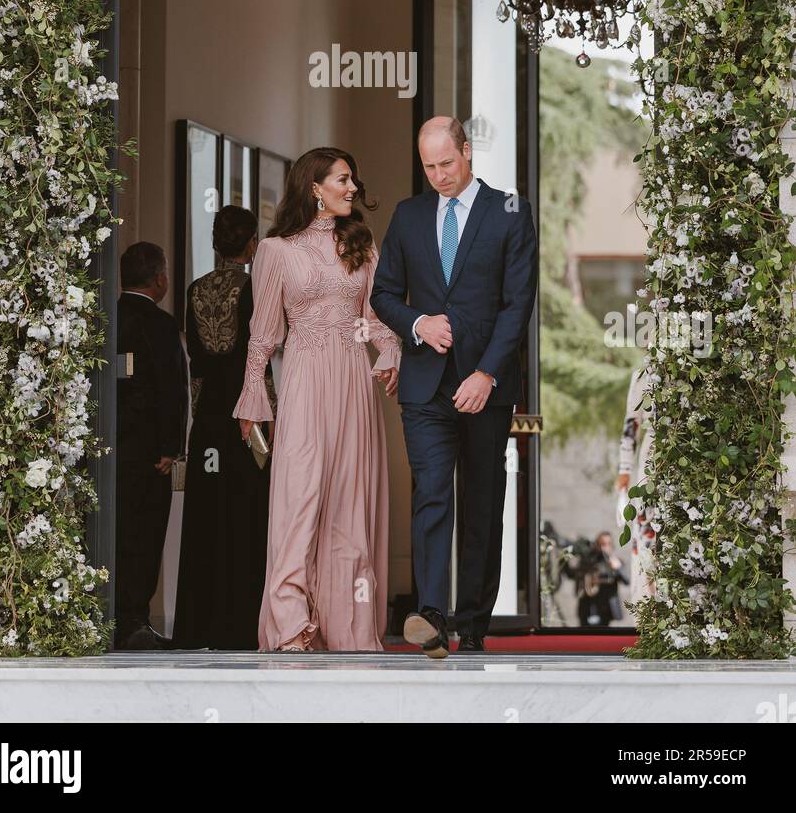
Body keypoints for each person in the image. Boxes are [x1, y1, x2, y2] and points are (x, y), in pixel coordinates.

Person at [370, 116, 538, 658]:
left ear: (468, 151)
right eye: (429, 166)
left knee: (482, 504)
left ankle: (473, 621)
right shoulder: (408, 215)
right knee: (433, 495)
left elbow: (518, 305)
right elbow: (384, 294)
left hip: (486, 384)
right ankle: (434, 616)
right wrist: (419, 324)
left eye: (447, 163)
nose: (439, 175)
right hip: (425, 386)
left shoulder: (510, 213)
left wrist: (487, 373)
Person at [233, 147, 401, 652]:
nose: (352, 188)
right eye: (343, 180)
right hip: (304, 381)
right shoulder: (276, 251)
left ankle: (348, 627)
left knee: (350, 507)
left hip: (352, 381)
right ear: (315, 188)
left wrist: (389, 349)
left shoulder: (362, 246)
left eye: (352, 180)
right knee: (299, 499)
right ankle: (289, 625)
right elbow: (262, 335)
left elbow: (374, 318)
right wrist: (252, 398)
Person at [172, 205, 273, 649]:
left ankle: (199, 624)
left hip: (210, 417)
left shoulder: (194, 290)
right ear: (251, 243)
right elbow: (260, 361)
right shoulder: (256, 288)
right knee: (248, 517)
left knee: (206, 520)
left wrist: (200, 419)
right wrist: (272, 419)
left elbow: (196, 367)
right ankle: (242, 624)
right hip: (248, 418)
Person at [115, 242, 188, 650]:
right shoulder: (161, 325)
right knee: (144, 536)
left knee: (113, 531)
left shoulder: (106, 318)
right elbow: (172, 390)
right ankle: (133, 620)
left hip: (109, 451)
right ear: (160, 280)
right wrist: (171, 446)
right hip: (149, 453)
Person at [616, 364, 655, 608]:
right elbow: (631, 426)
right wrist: (624, 471)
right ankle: (649, 610)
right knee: (648, 534)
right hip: (652, 458)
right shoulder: (644, 373)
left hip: (688, 455)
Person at [575, 531, 630, 626]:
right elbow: (575, 575)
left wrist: (618, 568)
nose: (604, 547)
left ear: (612, 546)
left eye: (607, 544)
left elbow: (627, 581)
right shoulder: (588, 561)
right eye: (601, 544)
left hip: (606, 610)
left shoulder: (616, 561)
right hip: (587, 607)